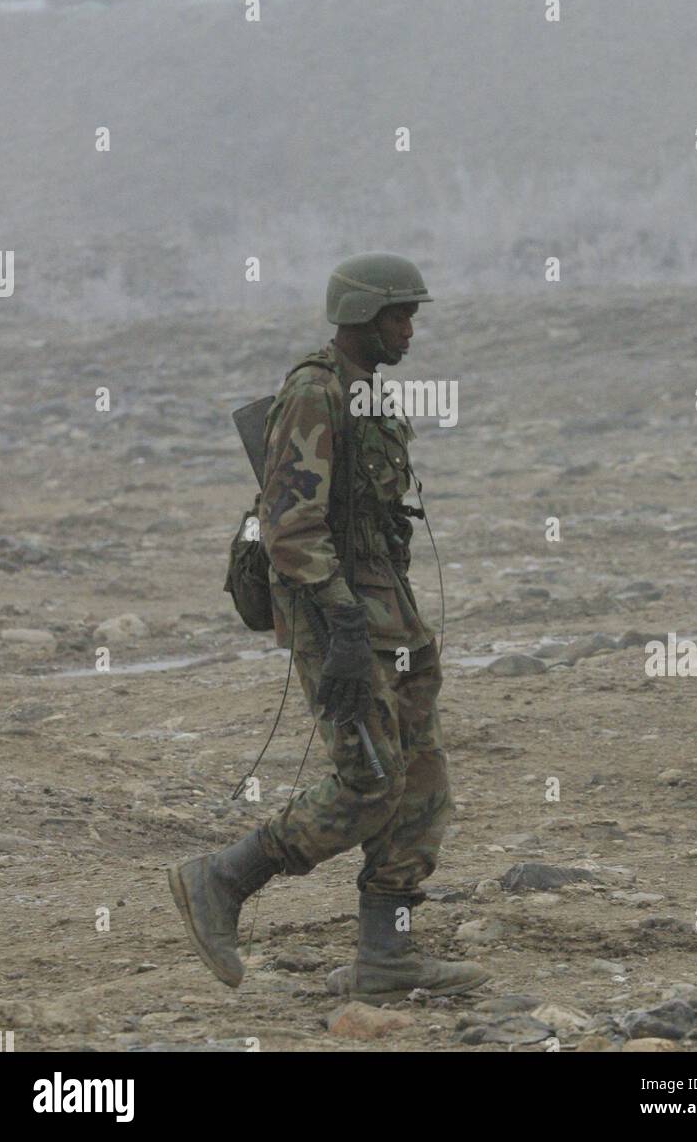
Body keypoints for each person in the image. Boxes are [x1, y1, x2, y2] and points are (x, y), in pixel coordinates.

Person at [169, 252, 489, 1003]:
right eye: (398, 315)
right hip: (337, 615)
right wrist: (342, 625)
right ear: (360, 317)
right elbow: (289, 526)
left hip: (389, 612)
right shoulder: (315, 393)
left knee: (422, 783)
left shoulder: (365, 394)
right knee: (370, 782)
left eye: (412, 314)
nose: (410, 329)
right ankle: (221, 879)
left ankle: (389, 955)